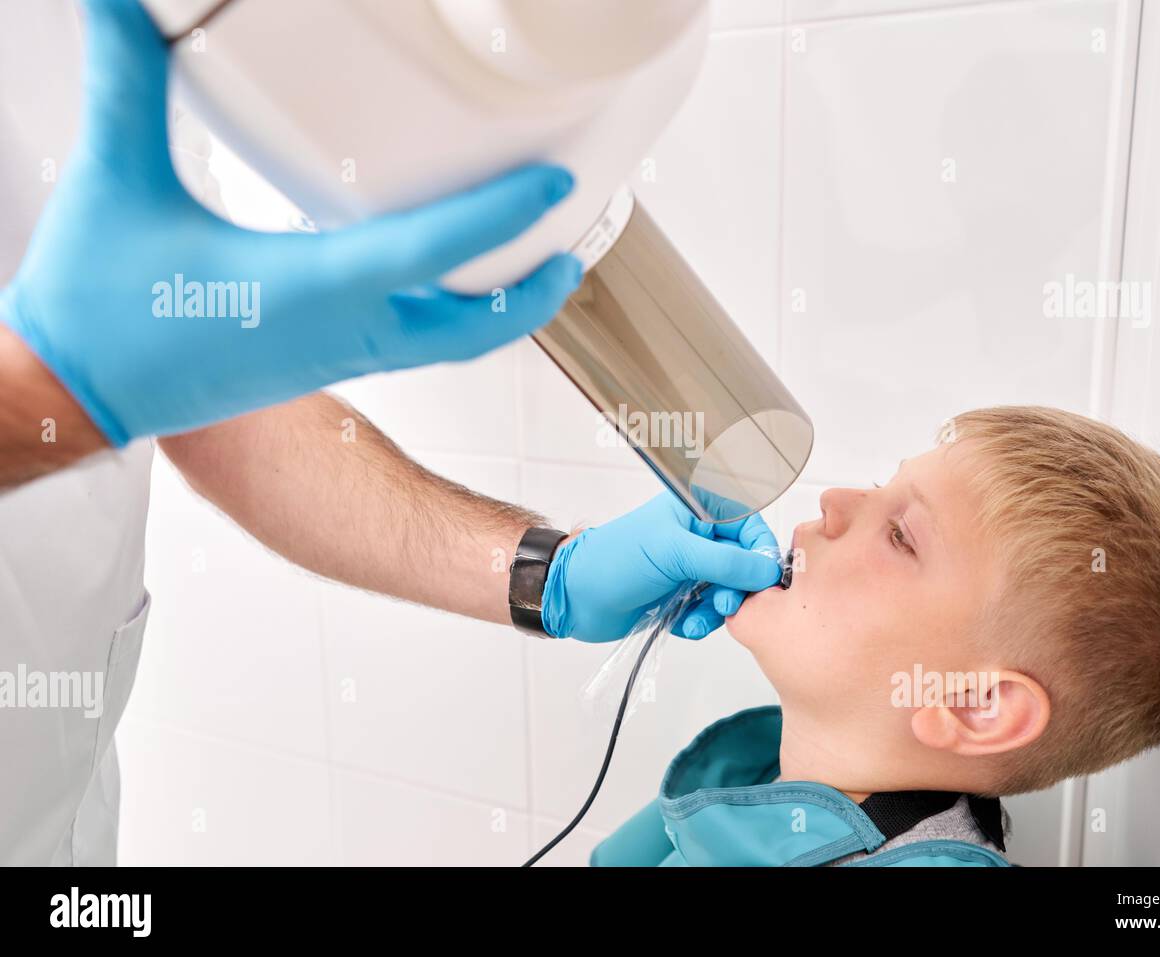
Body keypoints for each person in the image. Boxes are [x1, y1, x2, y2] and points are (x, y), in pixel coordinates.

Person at [0, 0, 780, 865]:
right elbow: (128, 364)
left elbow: (191, 384)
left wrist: (542, 570)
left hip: (55, 814)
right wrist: (57, 389)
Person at [591, 406, 1160, 866]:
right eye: (877, 487)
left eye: (901, 534)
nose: (834, 501)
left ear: (975, 707)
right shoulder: (749, 774)